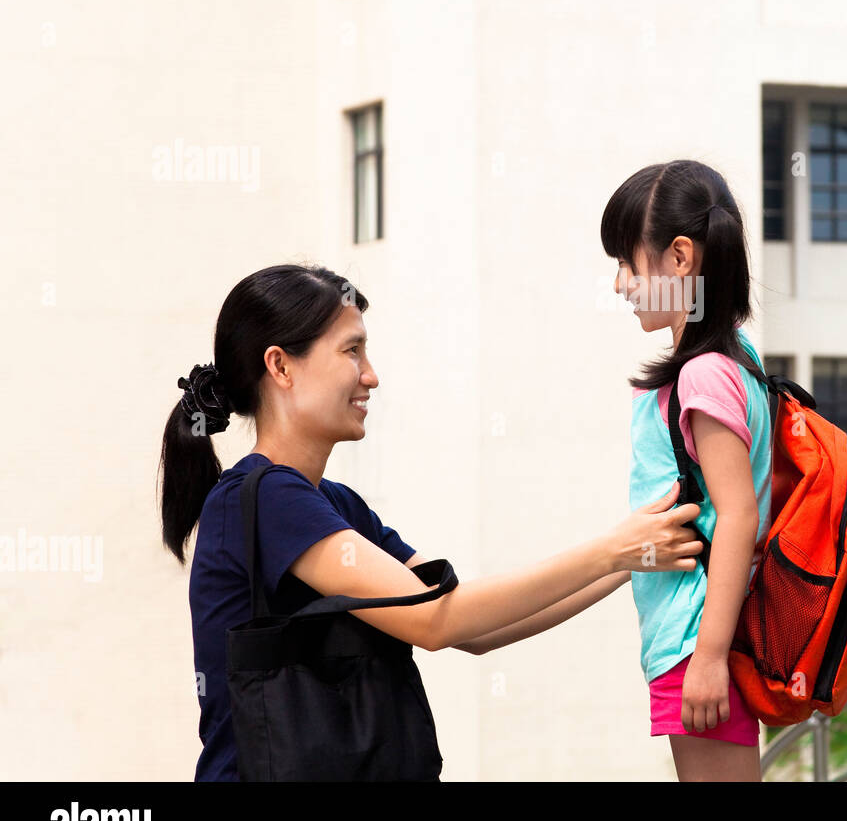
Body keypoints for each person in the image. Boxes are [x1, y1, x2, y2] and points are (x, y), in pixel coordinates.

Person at [158, 262, 703, 782]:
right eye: (352, 351)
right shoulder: (264, 499)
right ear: (280, 366)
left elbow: (476, 627)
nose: (371, 376)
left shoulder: (336, 506)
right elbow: (435, 620)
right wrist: (615, 550)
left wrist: (644, 556)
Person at [600, 160, 773, 782]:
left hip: (694, 640)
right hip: (697, 640)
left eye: (627, 261)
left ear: (678, 257)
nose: (620, 283)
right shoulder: (736, 356)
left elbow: (738, 514)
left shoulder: (702, 374)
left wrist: (708, 657)